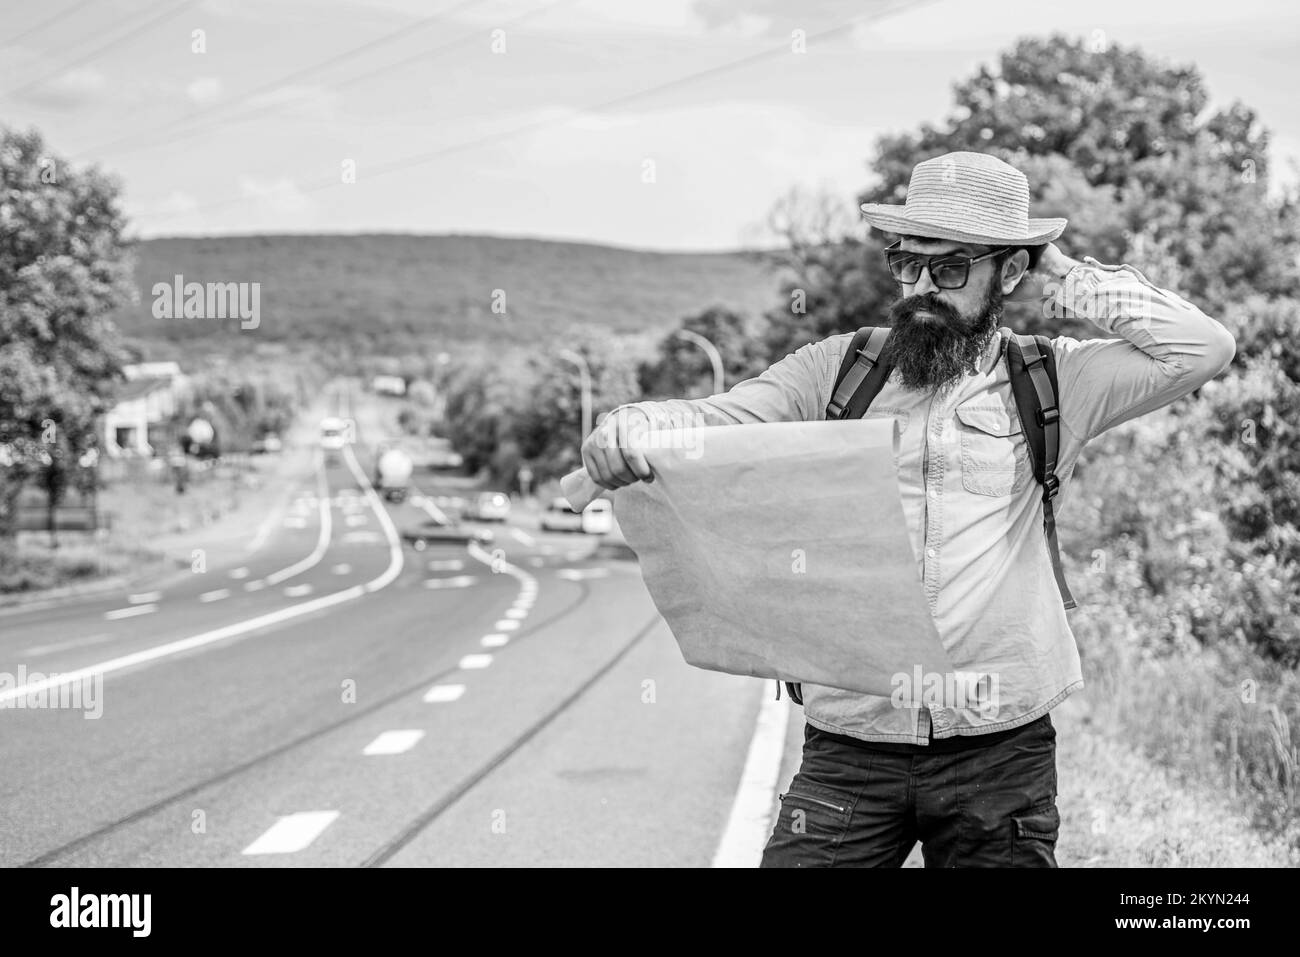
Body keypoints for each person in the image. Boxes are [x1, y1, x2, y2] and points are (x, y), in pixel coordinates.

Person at [580, 151, 1236, 867]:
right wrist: (637, 421)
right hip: (851, 747)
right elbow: (720, 416)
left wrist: (1065, 274)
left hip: (1001, 752)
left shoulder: (1057, 380)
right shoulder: (836, 370)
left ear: (1010, 273)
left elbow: (1202, 347)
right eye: (906, 262)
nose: (920, 287)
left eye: (950, 268)